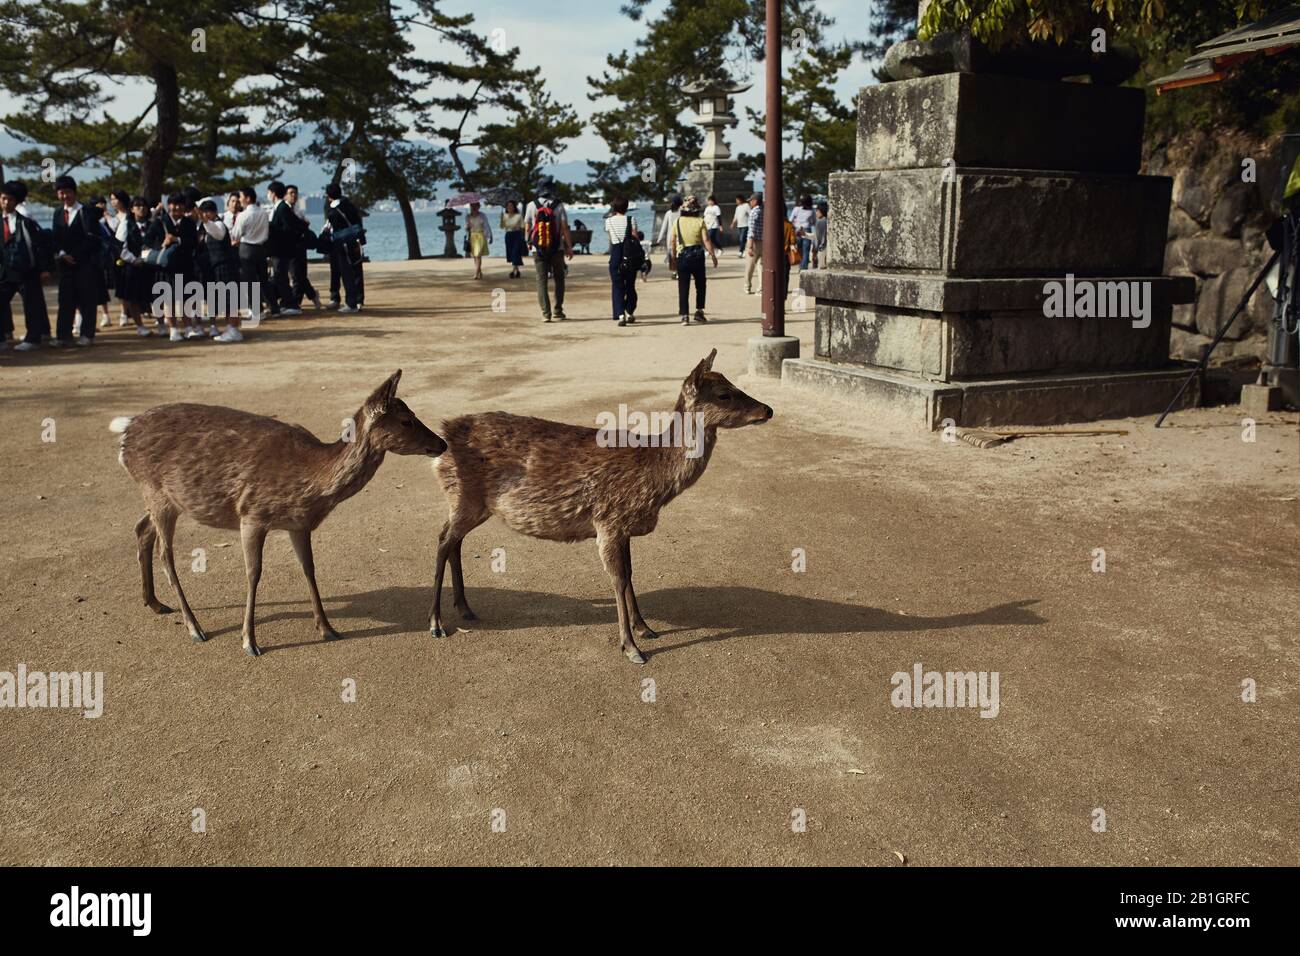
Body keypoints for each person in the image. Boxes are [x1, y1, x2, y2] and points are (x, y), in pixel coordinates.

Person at [50, 174, 107, 347]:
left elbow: (92, 238)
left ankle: (87, 334)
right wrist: (61, 253)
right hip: (65, 264)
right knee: (65, 300)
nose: (64, 196)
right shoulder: (58, 213)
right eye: (61, 192)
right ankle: (63, 336)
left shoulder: (85, 211)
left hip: (85, 263)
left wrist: (74, 255)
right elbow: (55, 238)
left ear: (74, 193)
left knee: (86, 299)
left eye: (67, 192)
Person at [0, 180, 52, 352]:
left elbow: (38, 247)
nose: (6, 203)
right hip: (4, 272)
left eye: (9, 199)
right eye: (3, 198)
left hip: (26, 270)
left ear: (17, 202)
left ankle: (33, 338)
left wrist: (44, 269)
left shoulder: (25, 222)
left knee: (32, 304)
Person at [524, 179, 572, 322]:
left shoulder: (531, 205)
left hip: (538, 248)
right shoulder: (559, 206)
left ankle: (546, 313)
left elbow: (527, 227)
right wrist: (569, 247)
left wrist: (528, 242)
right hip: (557, 248)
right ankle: (558, 310)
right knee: (559, 279)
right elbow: (564, 228)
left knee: (541, 280)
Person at [109, 191, 153, 337]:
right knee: (133, 297)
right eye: (137, 206)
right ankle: (140, 326)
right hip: (132, 266)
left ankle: (161, 323)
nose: (141, 208)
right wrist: (134, 260)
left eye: (144, 206)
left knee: (156, 295)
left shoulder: (153, 224)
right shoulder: (126, 224)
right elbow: (119, 247)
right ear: (132, 208)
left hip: (152, 265)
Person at [230, 185, 276, 322]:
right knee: (263, 280)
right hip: (261, 249)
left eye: (241, 197)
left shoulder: (243, 215)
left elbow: (236, 234)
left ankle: (257, 311)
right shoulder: (263, 213)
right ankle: (274, 307)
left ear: (248, 198)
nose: (240, 200)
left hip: (246, 248)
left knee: (250, 282)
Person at [669, 195, 717, 325]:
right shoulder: (700, 221)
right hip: (697, 257)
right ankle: (699, 312)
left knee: (683, 286)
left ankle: (685, 315)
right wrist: (713, 255)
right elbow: (706, 240)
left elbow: (672, 241)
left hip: (682, 257)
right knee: (700, 285)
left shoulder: (677, 222)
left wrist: (673, 257)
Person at [160, 191, 199, 340]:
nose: (176, 208)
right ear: (168, 205)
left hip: (185, 264)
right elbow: (148, 242)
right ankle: (173, 329)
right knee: (168, 298)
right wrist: (163, 243)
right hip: (167, 266)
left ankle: (188, 327)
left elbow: (194, 242)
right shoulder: (161, 221)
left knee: (187, 297)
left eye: (180, 205)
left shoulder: (189, 223)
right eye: (173, 204)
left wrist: (178, 239)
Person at [323, 182, 365, 314]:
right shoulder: (350, 205)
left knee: (346, 273)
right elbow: (358, 222)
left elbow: (333, 229)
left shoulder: (333, 211)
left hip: (342, 244)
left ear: (329, 196)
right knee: (356, 271)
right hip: (354, 241)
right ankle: (358, 300)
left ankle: (350, 303)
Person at [603, 195, 643, 326]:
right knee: (630, 285)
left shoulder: (608, 221)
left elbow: (610, 238)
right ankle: (630, 311)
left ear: (614, 207)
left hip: (616, 254)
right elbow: (635, 237)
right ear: (626, 207)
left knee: (617, 286)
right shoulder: (631, 219)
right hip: (629, 255)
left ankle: (621, 315)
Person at [267, 181, 302, 315]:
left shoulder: (282, 208)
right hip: (280, 249)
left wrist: (272, 230)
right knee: (280, 277)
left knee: (280, 276)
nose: (268, 195)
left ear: (273, 193)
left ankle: (291, 304)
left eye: (269, 192)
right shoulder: (280, 207)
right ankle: (287, 303)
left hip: (281, 249)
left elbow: (289, 228)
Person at [285, 185, 321, 310]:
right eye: (291, 193)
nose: (293, 195)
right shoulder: (283, 210)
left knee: (300, 275)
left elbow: (305, 224)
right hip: (288, 247)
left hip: (300, 247)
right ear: (285, 195)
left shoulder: (298, 211)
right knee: (297, 275)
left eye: (295, 193)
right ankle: (310, 296)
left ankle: (297, 302)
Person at [656, 194, 682, 280]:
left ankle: (675, 272)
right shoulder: (682, 212)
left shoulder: (668, 213)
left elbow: (664, 227)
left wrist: (659, 239)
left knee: (672, 254)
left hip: (671, 236)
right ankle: (680, 272)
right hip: (681, 235)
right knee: (680, 254)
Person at [465, 200, 492, 280]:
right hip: (472, 237)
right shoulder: (468, 217)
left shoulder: (482, 215)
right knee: (475, 256)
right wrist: (467, 226)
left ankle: (476, 273)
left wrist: (489, 236)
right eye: (472, 206)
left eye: (475, 206)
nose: (473, 208)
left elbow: (486, 226)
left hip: (480, 236)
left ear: (478, 207)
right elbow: (466, 229)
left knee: (478, 255)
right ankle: (479, 271)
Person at [744, 194, 763, 295]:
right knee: (761, 266)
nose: (749, 203)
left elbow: (751, 230)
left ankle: (747, 286)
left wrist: (750, 246)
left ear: (755, 201)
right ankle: (761, 288)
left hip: (754, 242)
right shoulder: (765, 211)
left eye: (750, 201)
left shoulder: (753, 212)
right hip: (764, 242)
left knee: (750, 265)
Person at [791, 194, 816, 272]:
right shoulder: (812, 211)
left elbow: (790, 219)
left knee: (799, 250)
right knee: (806, 251)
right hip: (807, 230)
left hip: (798, 230)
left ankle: (800, 266)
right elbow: (813, 222)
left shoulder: (796, 209)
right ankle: (803, 268)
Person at [500, 200, 525, 279]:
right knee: (512, 253)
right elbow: (502, 227)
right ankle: (517, 271)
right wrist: (501, 219)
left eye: (511, 206)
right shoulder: (504, 216)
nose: (510, 207)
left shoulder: (518, 216)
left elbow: (523, 226)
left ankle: (513, 271)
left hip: (517, 235)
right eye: (508, 206)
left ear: (514, 207)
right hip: (508, 235)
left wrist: (524, 236)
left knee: (515, 252)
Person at [732, 192, 750, 258]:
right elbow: (735, 216)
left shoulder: (746, 205)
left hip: (745, 225)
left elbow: (750, 214)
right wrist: (733, 223)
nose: (736, 201)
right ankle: (743, 251)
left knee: (742, 238)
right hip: (739, 225)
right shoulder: (738, 207)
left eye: (737, 200)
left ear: (741, 199)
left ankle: (741, 251)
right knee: (741, 239)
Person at [813, 201, 828, 269]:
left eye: (817, 211)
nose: (816, 213)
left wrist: (814, 251)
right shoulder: (827, 221)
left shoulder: (820, 222)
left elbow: (817, 239)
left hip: (821, 249)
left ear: (822, 211)